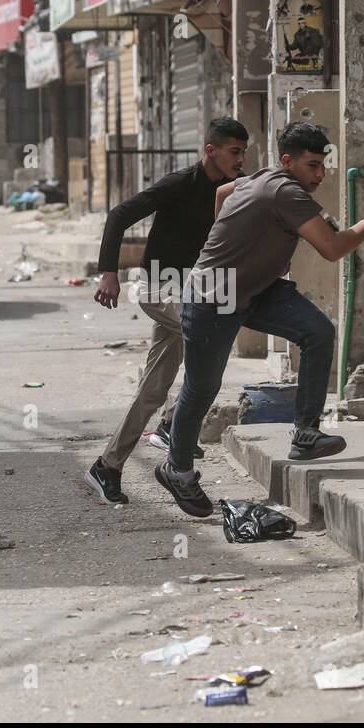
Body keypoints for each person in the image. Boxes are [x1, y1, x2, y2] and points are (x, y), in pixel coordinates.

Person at [155, 122, 364, 518]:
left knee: (318, 331)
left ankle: (305, 432)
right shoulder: (287, 192)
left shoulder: (264, 177)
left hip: (256, 289)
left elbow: (222, 193)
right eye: (313, 165)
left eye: (324, 166)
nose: (319, 175)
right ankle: (177, 469)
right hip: (212, 297)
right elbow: (333, 248)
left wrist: (240, 239)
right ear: (288, 161)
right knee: (201, 389)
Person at [83, 117, 249, 506]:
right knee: (213, 335)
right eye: (234, 152)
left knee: (152, 389)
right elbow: (119, 214)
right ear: (211, 151)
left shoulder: (231, 189)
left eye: (244, 153)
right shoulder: (180, 183)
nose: (241, 160)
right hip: (160, 285)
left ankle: (108, 465)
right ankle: (173, 426)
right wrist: (108, 272)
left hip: (192, 289)